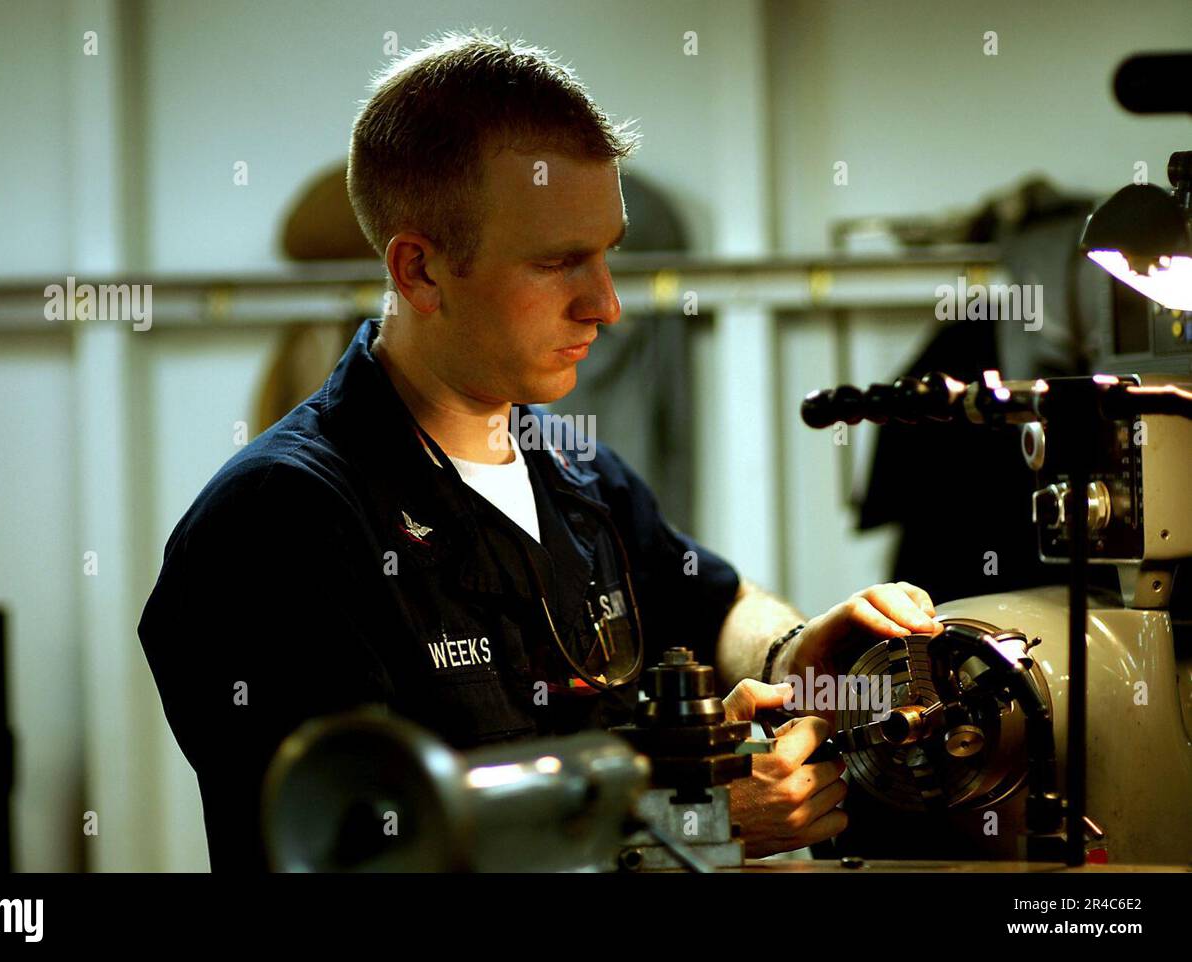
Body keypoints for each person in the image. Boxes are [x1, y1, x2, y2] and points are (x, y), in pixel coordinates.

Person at [137, 31, 941, 872]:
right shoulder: (282, 522)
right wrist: (695, 832)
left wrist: (797, 651)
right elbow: (366, 849)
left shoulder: (575, 470)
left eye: (608, 254)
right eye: (560, 263)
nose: (607, 305)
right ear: (419, 272)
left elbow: (713, 605)